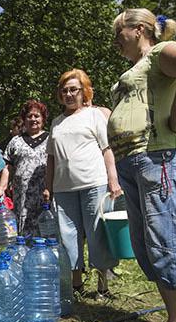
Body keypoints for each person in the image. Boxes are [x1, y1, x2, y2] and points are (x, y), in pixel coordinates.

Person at [109, 9, 176, 322]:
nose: (114, 42)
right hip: (135, 161)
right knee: (146, 244)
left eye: (117, 33)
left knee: (165, 237)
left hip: (160, 156)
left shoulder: (157, 54)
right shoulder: (139, 67)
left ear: (138, 29)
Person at [43, 69, 122, 298]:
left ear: (84, 91)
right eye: (64, 90)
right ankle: (76, 285)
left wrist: (113, 180)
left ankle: (102, 287)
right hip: (63, 188)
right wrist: (48, 186)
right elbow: (51, 158)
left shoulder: (93, 115)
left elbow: (107, 150)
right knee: (68, 237)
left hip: (93, 183)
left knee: (97, 234)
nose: (68, 94)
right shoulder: (57, 123)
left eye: (73, 90)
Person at [0, 100, 49, 236]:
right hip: (21, 195)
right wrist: (2, 188)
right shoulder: (15, 141)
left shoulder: (51, 139)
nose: (33, 119)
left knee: (45, 228)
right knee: (22, 228)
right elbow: (7, 167)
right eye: (29, 116)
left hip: (45, 194)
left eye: (36, 116)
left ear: (43, 118)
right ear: (24, 120)